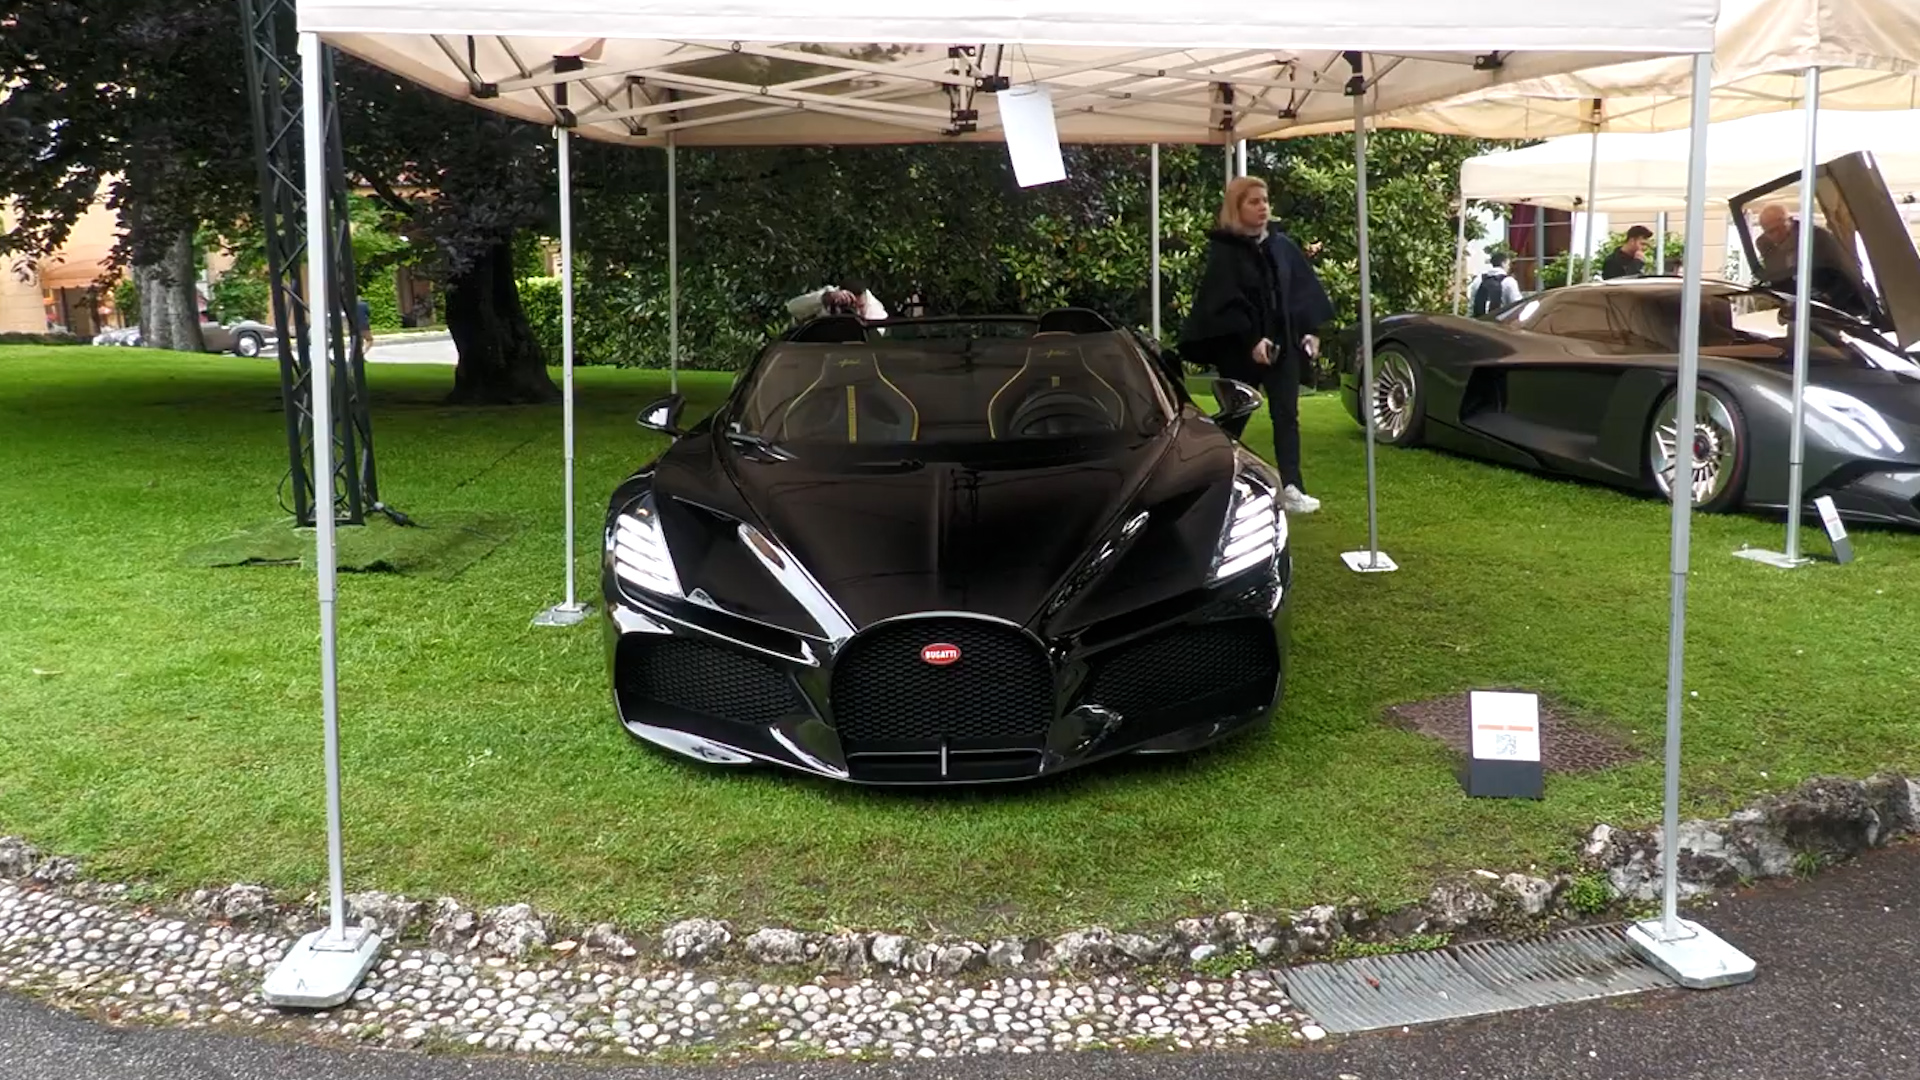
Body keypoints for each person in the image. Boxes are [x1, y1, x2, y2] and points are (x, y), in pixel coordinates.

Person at [1179, 175, 1330, 515]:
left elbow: (1302, 292)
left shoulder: (1282, 247)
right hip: (1241, 352)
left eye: (1265, 200)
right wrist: (1250, 339)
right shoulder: (1226, 253)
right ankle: (1211, 481)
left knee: (1286, 417)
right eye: (1254, 202)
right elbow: (1222, 304)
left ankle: (1292, 486)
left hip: (1284, 347)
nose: (1263, 207)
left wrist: (1310, 331)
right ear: (1237, 207)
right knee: (1235, 418)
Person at [786, 278, 888, 323]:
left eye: (861, 306)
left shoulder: (873, 306)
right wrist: (824, 299)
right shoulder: (830, 295)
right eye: (851, 306)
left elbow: (879, 332)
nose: (857, 312)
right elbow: (792, 308)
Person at [1470, 250, 1524, 316]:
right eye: (1508, 264)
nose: (1509, 267)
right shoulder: (1509, 281)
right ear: (1503, 263)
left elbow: (1472, 305)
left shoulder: (1479, 280)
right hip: (1499, 324)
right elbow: (1517, 306)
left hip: (1479, 322)